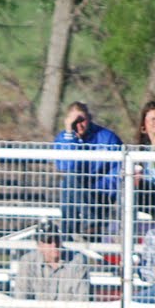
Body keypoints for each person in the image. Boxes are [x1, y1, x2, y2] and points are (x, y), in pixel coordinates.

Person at [53, 101, 122, 239]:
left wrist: (90, 190)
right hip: (74, 196)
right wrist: (71, 137)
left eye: (82, 120)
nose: (79, 125)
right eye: (74, 121)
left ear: (89, 118)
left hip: (101, 194)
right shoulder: (63, 138)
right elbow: (66, 166)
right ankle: (89, 224)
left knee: (70, 186)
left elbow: (117, 172)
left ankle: (68, 236)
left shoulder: (108, 138)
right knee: (70, 180)